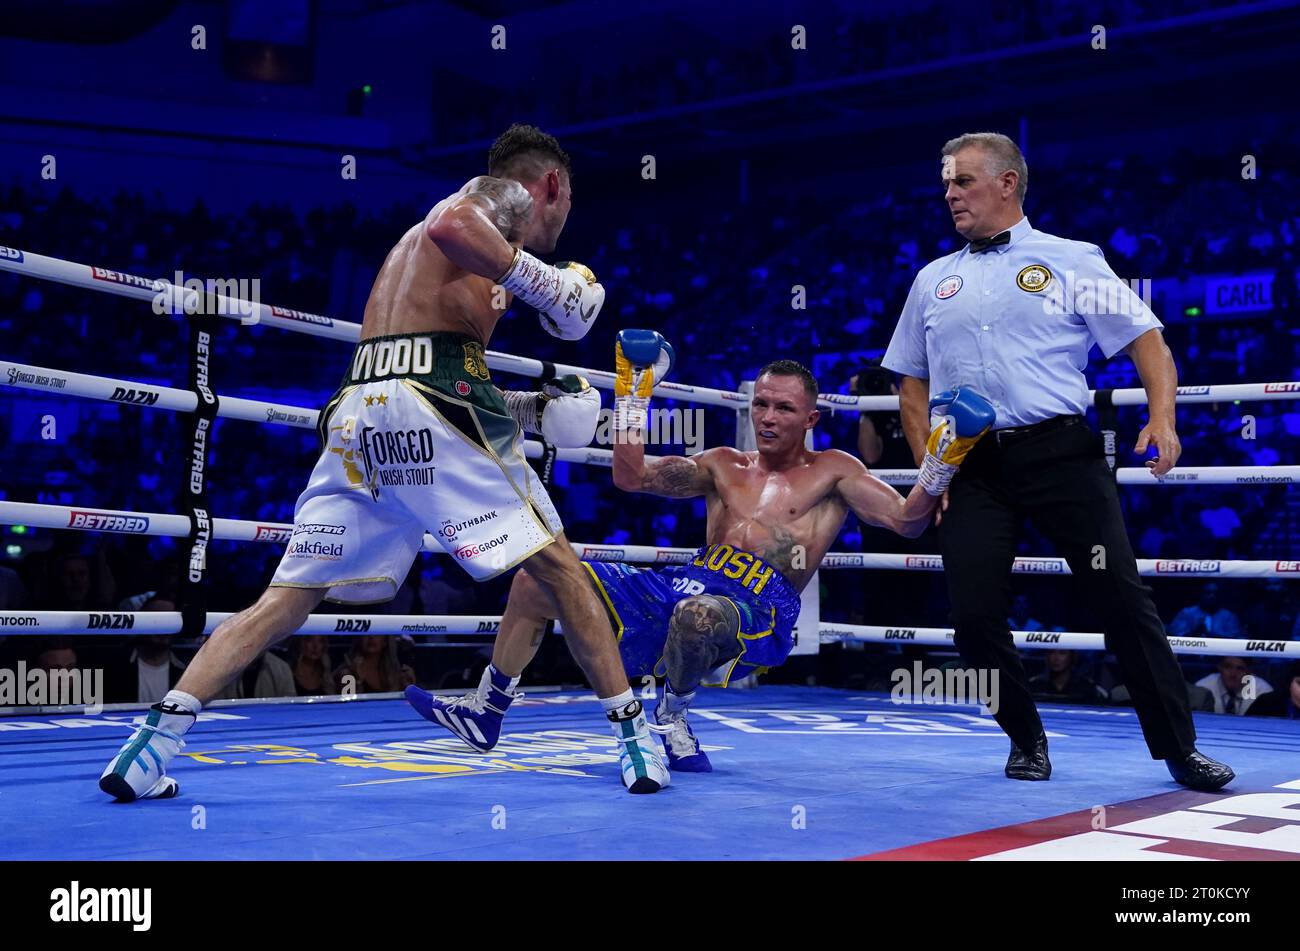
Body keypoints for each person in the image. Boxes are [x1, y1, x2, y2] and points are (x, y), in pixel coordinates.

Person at [101, 124, 671, 800]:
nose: (562, 219)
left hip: (361, 414)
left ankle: (149, 745)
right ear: (552, 186)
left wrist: (531, 409)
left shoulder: (442, 265)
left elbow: (433, 368)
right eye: (567, 201)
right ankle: (636, 738)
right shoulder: (496, 199)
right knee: (559, 566)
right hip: (427, 400)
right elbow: (452, 229)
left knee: (284, 601)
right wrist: (541, 282)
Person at [407, 331, 994, 772]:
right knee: (539, 578)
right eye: (761, 404)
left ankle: (671, 714)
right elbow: (630, 477)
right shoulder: (722, 465)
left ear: (811, 418)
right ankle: (486, 709)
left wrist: (944, 459)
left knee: (698, 616)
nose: (767, 417)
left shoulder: (835, 472)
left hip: (760, 602)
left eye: (783, 408)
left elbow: (908, 522)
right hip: (691, 578)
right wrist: (634, 396)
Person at [882, 131, 1234, 790]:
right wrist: (934, 469)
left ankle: (1180, 749)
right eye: (947, 183)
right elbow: (910, 384)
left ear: (1007, 182)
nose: (950, 193)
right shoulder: (933, 279)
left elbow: (1147, 340)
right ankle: (1025, 735)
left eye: (963, 181)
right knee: (972, 615)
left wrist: (1162, 417)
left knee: (1122, 599)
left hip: (1062, 454)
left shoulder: (1071, 259)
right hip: (971, 466)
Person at [1195, 656, 1273, 715]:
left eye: (1240, 668)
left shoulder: (1263, 691)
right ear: (1219, 668)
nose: (1233, 674)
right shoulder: (1203, 687)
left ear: (1249, 671)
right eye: (1228, 667)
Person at [1028, 649, 1108, 704]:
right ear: (1047, 656)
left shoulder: (1086, 686)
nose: (1056, 658)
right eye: (1052, 652)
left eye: (1062, 653)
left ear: (1072, 657)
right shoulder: (1034, 684)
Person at [1168, 583, 1244, 639]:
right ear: (1201, 594)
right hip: (1188, 657)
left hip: (1219, 658)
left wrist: (1210, 634)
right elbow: (1174, 635)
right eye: (1208, 593)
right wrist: (1194, 632)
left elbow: (1235, 638)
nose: (1212, 596)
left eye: (1215, 593)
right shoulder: (1186, 613)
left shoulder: (1229, 616)